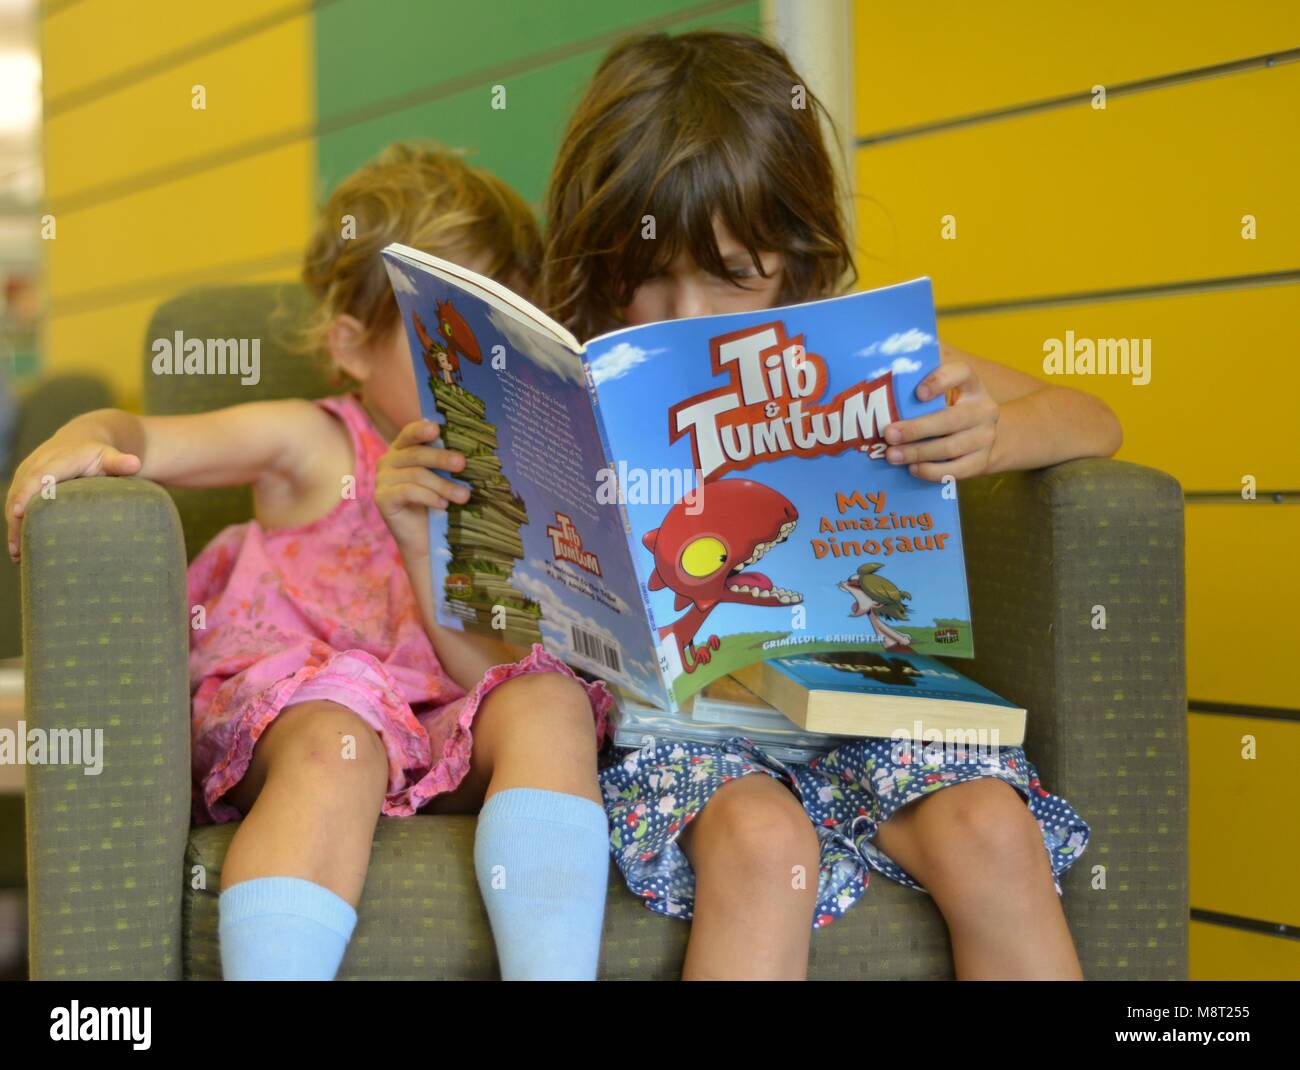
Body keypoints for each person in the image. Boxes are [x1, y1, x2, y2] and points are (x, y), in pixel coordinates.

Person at [542, 31, 1122, 980]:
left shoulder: (858, 363)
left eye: (735, 272)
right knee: (767, 849)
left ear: (799, 253)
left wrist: (995, 437)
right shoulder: (576, 379)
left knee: (992, 830)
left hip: (857, 706)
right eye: (647, 273)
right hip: (678, 738)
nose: (687, 311)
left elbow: (1095, 418)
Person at [5, 142, 614, 981]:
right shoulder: (315, 441)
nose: (479, 376)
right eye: (448, 346)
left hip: (439, 720)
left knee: (551, 704)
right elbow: (146, 439)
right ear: (353, 347)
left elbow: (483, 677)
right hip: (307, 722)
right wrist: (91, 435)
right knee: (342, 740)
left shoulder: (516, 479)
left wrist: (421, 539)